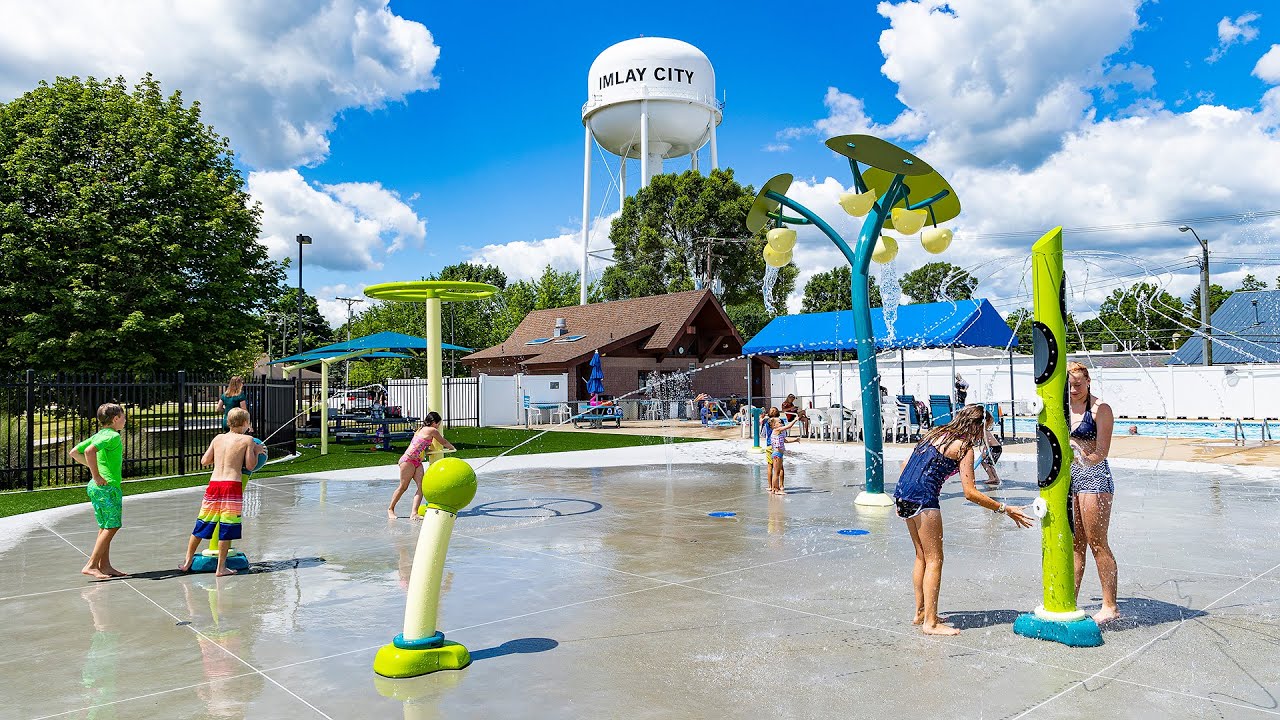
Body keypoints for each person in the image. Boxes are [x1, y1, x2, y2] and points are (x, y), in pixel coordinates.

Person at [893, 405, 1032, 636]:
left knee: (921, 556)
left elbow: (905, 465)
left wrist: (904, 497)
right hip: (924, 499)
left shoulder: (934, 433)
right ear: (976, 427)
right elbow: (970, 492)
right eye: (986, 429)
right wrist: (1004, 509)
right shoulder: (964, 448)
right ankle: (931, 623)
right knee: (935, 559)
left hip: (903, 494)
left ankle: (921, 612)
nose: (986, 435)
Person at [181, 407, 266, 576]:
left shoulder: (218, 438)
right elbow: (250, 466)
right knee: (227, 526)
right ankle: (221, 568)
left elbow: (204, 461)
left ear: (228, 422)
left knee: (203, 522)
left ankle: (187, 562)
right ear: (245, 423)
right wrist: (256, 452)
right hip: (231, 486)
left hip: (214, 484)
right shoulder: (247, 440)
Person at [1067, 362, 1120, 624]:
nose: (1073, 390)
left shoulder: (1100, 409)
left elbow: (1102, 452)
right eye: (1069, 385)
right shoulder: (1062, 407)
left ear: (1088, 381)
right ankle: (1069, 600)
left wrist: (1082, 459)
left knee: (1097, 542)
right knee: (1075, 545)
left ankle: (1110, 606)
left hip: (1094, 477)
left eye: (1078, 384)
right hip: (1070, 479)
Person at [69, 403, 129, 579]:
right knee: (113, 525)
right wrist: (97, 475)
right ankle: (91, 565)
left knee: (105, 526)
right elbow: (89, 451)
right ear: (116, 419)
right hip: (107, 488)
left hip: (97, 488)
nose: (125, 420)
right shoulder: (113, 436)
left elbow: (74, 452)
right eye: (123, 417)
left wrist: (96, 471)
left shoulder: (100, 434)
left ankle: (105, 566)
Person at [389, 411, 456, 520]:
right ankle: (390, 509)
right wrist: (452, 448)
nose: (438, 427)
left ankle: (414, 513)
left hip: (417, 462)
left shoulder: (421, 429)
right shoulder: (432, 430)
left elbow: (422, 445)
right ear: (433, 422)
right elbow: (443, 442)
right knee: (403, 487)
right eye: (438, 424)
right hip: (408, 460)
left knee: (422, 487)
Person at [767, 415, 799, 494]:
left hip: (779, 454)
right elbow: (789, 426)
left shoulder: (779, 433)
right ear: (774, 425)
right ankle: (776, 489)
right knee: (776, 473)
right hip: (777, 454)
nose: (781, 423)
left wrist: (795, 440)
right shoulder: (776, 430)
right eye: (779, 422)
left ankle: (774, 489)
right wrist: (795, 420)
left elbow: (785, 440)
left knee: (777, 472)